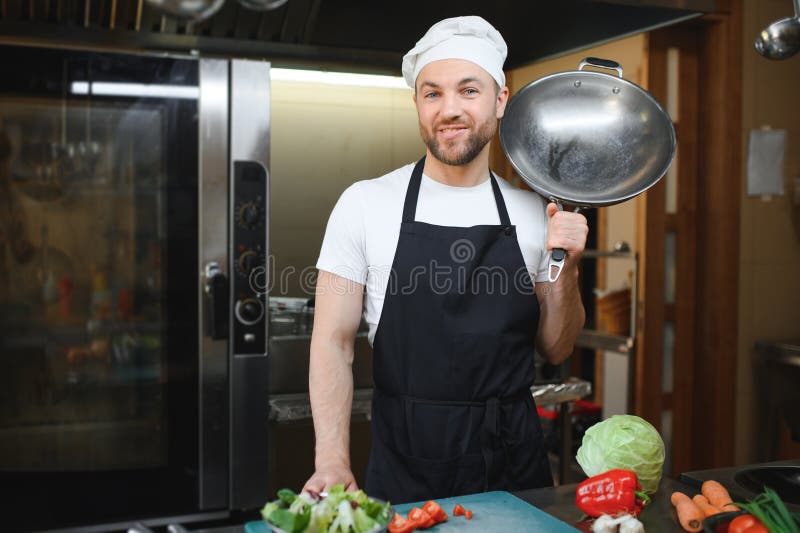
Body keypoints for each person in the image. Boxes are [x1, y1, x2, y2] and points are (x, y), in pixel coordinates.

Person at [303, 15, 588, 504]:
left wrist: (569, 265)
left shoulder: (537, 212)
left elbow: (556, 348)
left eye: (468, 91)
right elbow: (332, 341)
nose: (449, 109)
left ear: (500, 100)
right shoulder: (365, 203)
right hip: (407, 460)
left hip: (514, 461)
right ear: (417, 103)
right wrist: (332, 458)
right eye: (432, 93)